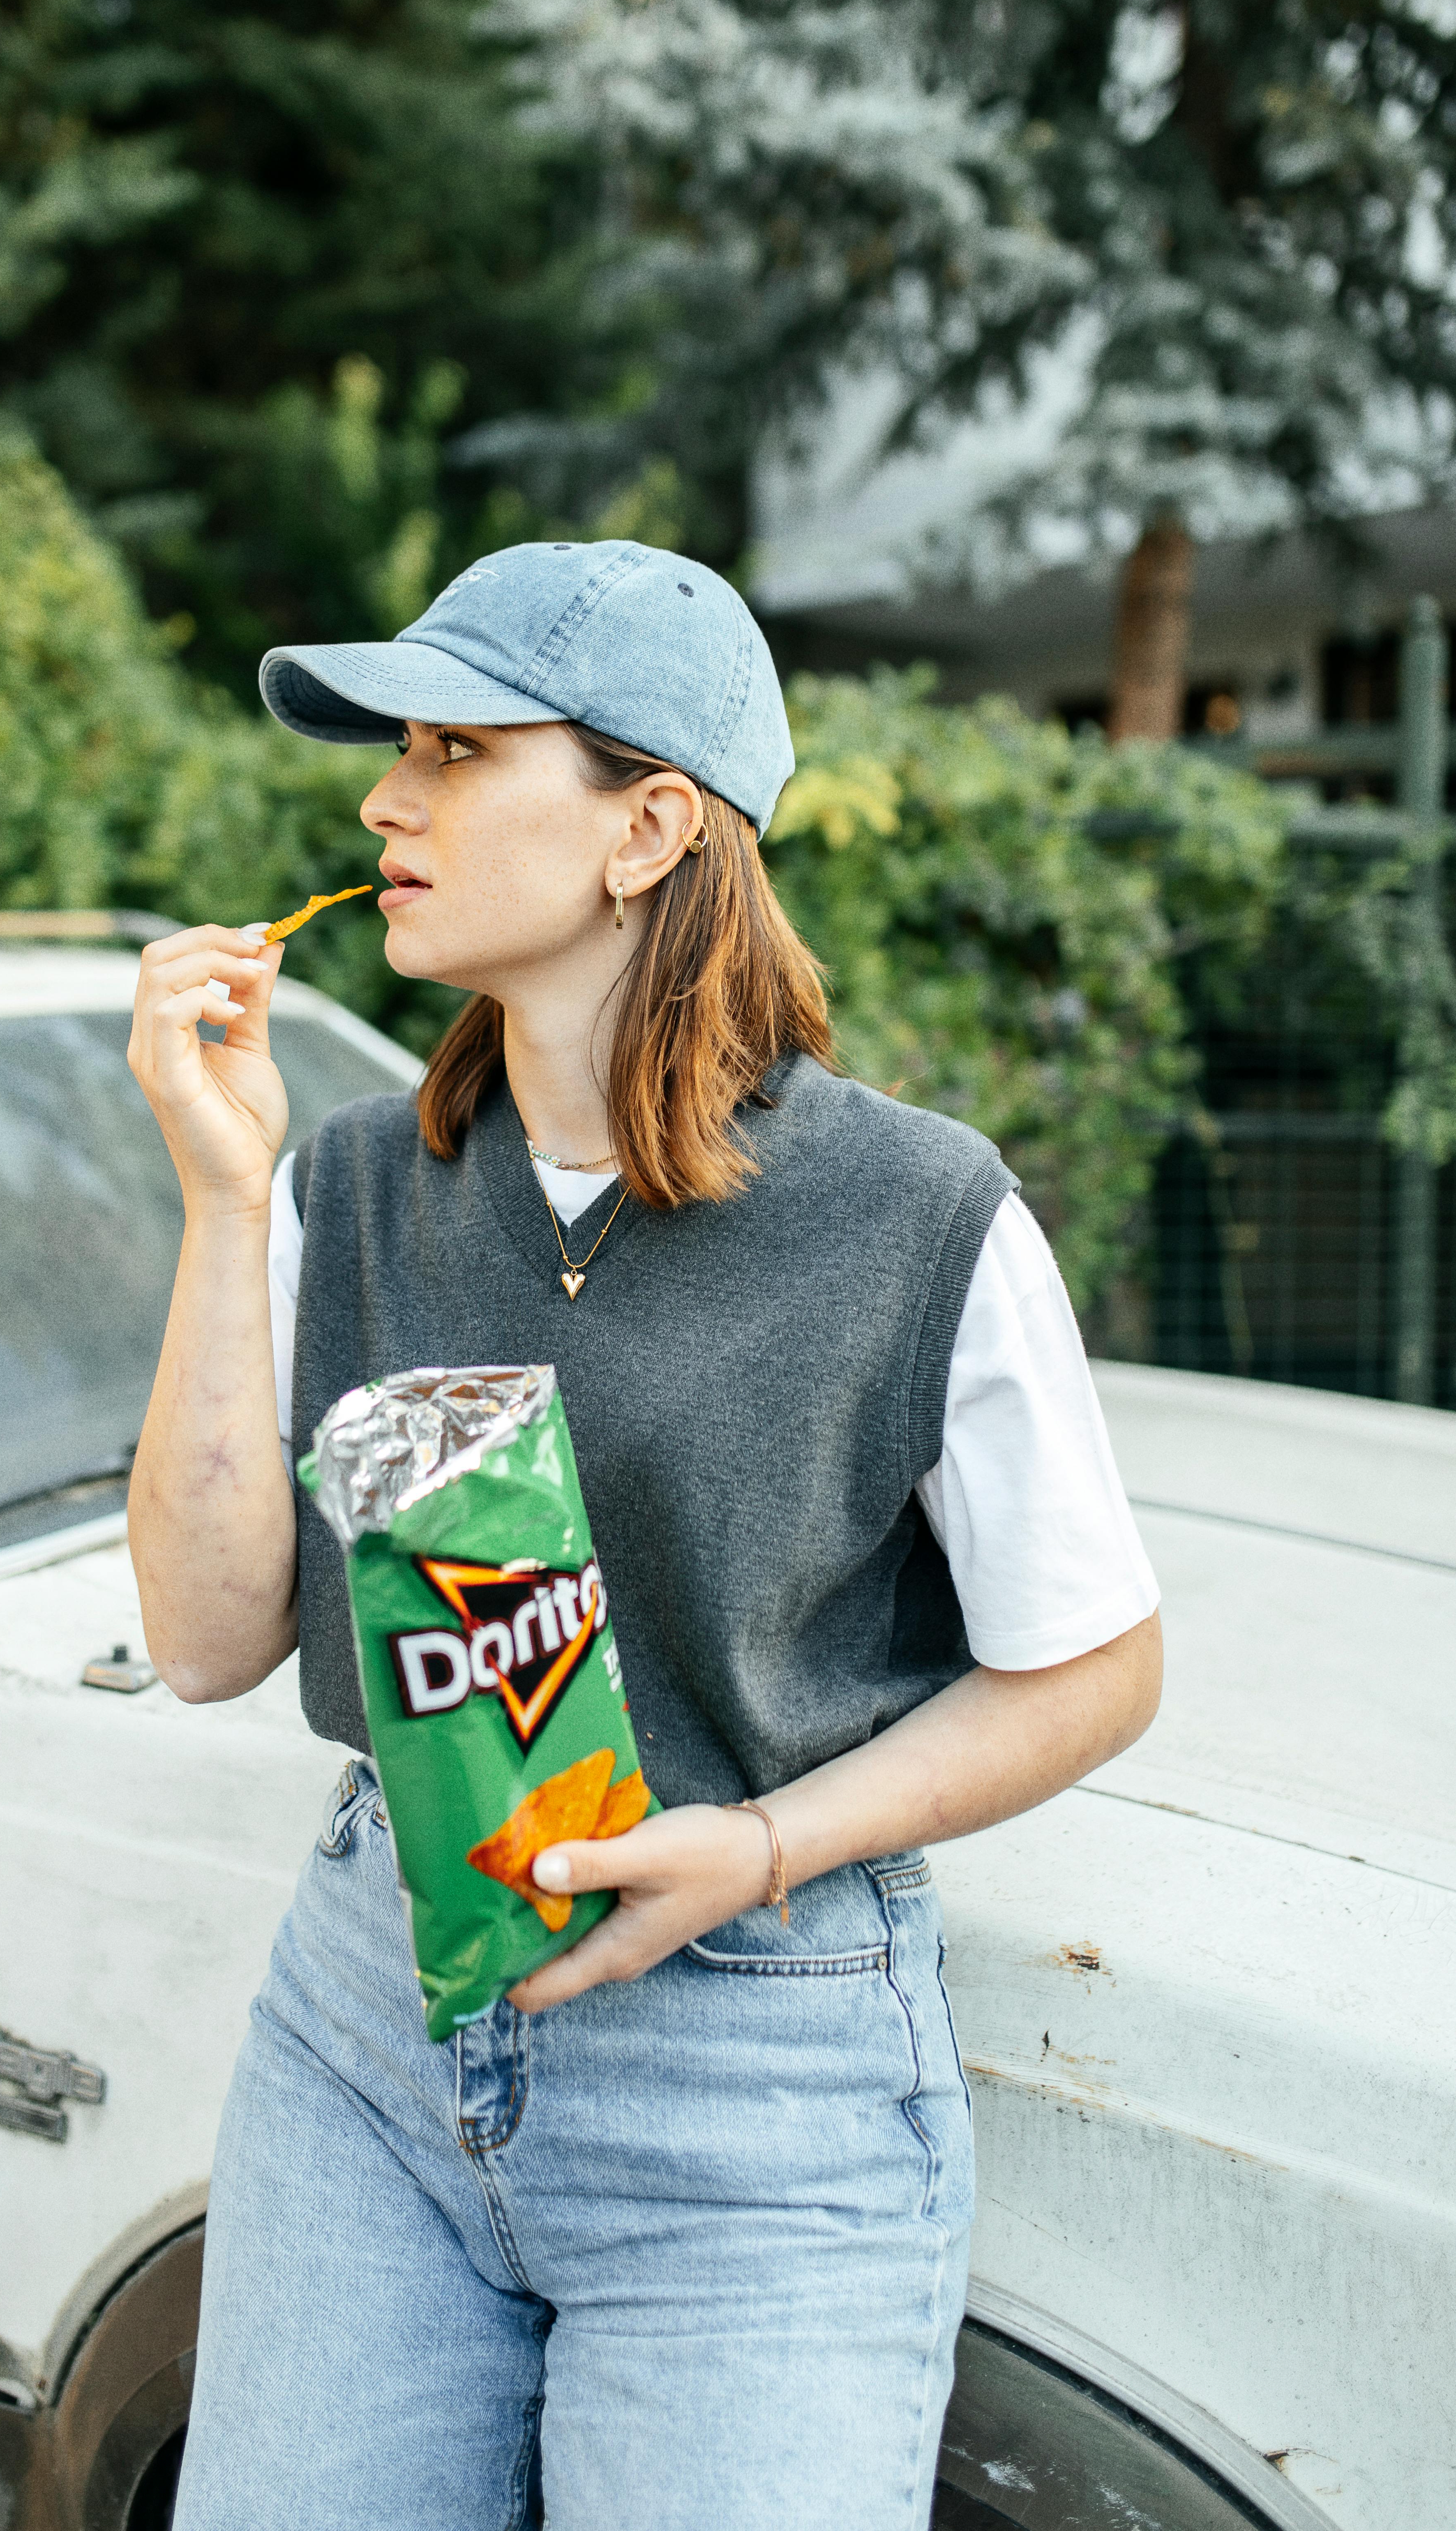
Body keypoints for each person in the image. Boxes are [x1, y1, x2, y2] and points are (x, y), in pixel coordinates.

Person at [126, 538, 1162, 2531]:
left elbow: (1095, 1662)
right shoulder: (339, 1178)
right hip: (371, 2021)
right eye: (390, 753)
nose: (379, 800)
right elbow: (200, 1635)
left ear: (648, 826)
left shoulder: (916, 1214)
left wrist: (768, 1838)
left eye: (448, 747)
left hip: (756, 2073)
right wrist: (213, 1202)